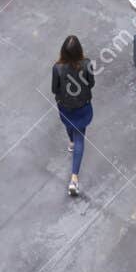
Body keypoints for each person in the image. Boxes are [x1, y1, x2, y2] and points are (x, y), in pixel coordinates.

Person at [51, 34, 94, 197]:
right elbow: (92, 83)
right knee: (80, 139)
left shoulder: (57, 68)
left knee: (69, 125)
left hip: (65, 107)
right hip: (82, 106)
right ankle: (74, 178)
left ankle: (70, 142)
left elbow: (55, 89)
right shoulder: (87, 64)